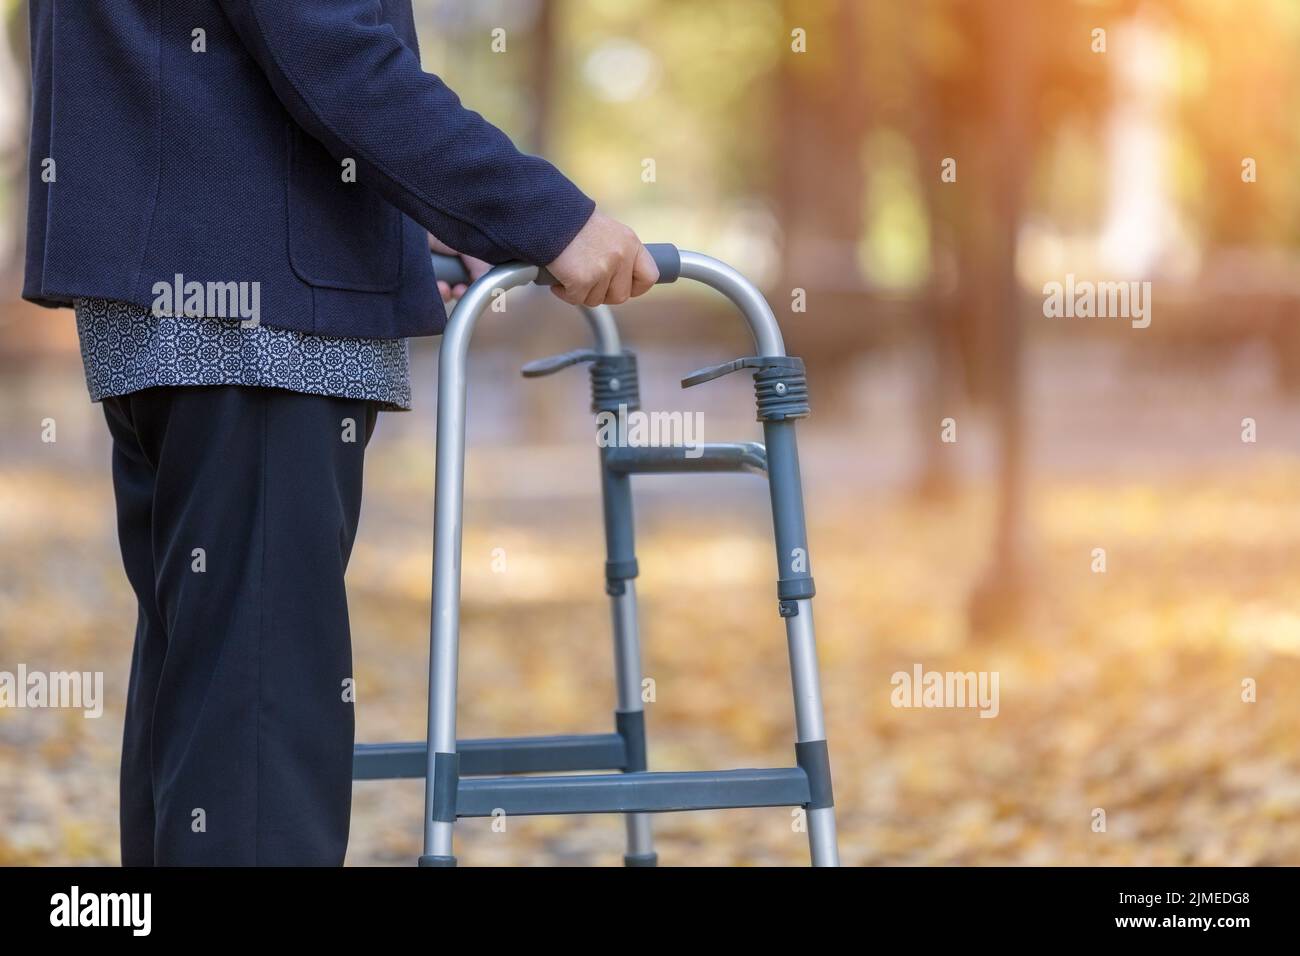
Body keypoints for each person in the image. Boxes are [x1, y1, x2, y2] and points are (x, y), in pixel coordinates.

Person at [23, 0, 659, 866]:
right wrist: (549, 216)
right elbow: (334, 51)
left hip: (173, 303)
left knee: (204, 709)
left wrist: (397, 233)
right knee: (257, 725)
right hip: (258, 322)